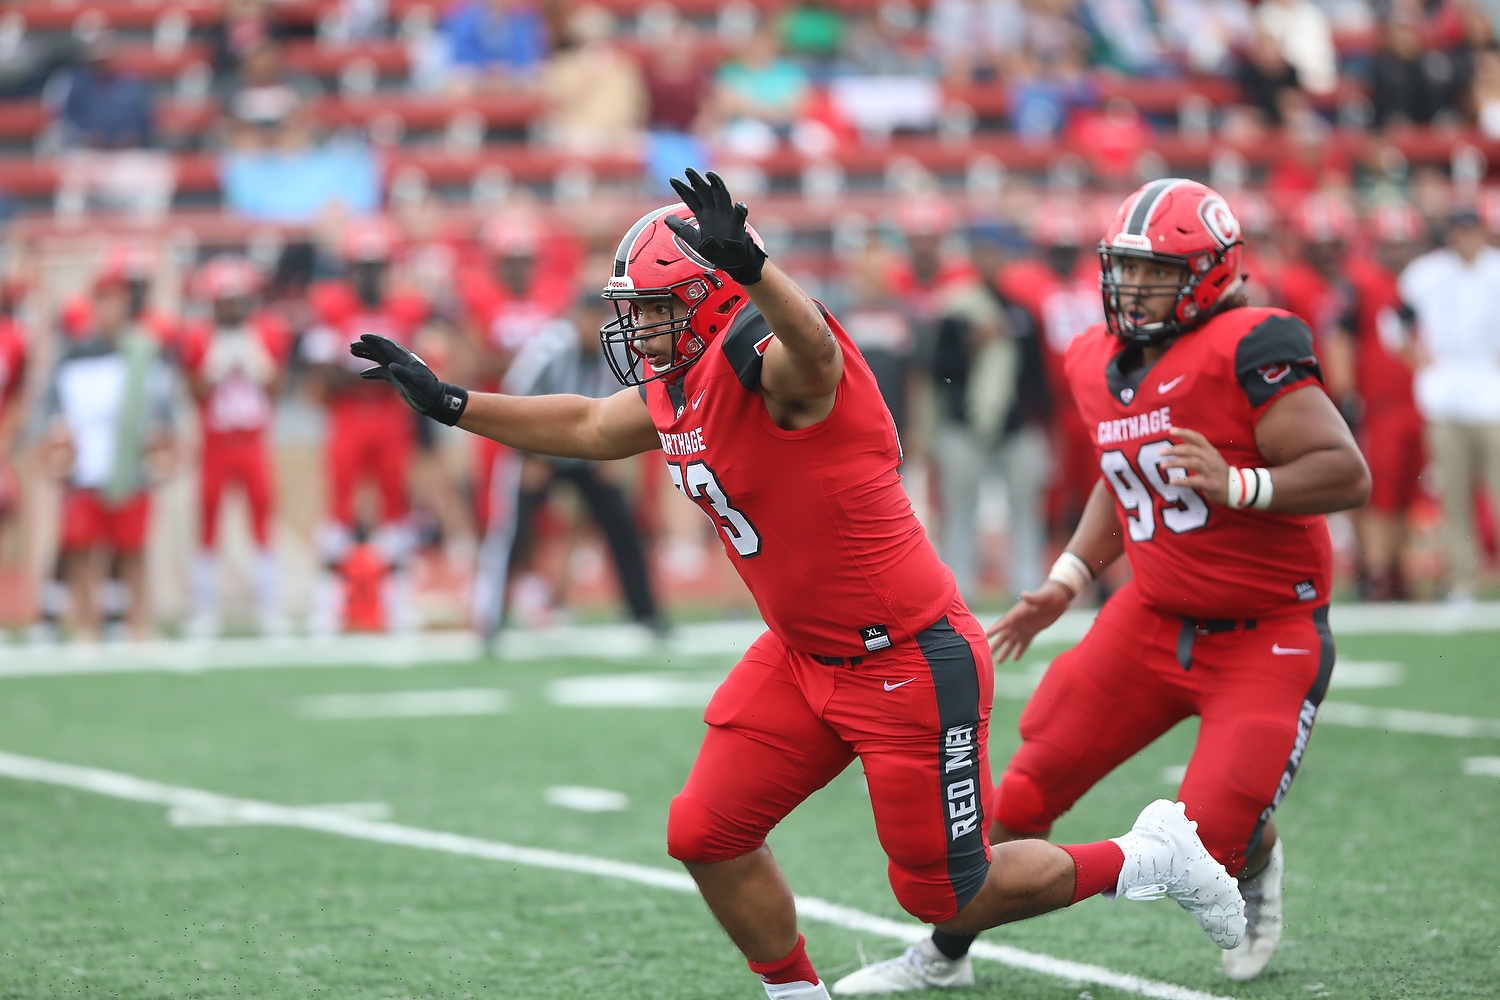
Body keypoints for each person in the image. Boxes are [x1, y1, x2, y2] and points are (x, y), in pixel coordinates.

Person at [353, 169, 1245, 1000]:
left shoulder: (775, 363)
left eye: (658, 311)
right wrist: (455, 405)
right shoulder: (681, 382)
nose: (640, 332)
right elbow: (588, 422)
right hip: (800, 655)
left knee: (945, 895)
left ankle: (1148, 855)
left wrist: (757, 269)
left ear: (713, 300)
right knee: (704, 832)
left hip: (903, 657)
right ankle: (794, 992)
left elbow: (812, 349)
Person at [857, 179, 1369, 993]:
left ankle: (1257, 854)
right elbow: (1120, 475)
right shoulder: (1098, 357)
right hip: (1152, 617)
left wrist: (1239, 485)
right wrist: (1068, 577)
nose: (1131, 288)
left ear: (1209, 272)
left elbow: (1346, 471)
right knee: (1021, 795)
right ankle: (944, 956)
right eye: (1124, 268)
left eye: (1155, 272)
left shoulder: (1252, 341)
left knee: (1208, 846)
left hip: (1268, 631)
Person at [471, 292, 663, 638]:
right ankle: (490, 617)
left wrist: (615, 452)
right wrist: (528, 454)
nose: (592, 328)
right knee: (512, 531)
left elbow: (631, 401)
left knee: (622, 525)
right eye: (586, 320)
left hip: (589, 447)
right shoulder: (548, 349)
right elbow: (514, 401)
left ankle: (645, 613)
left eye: (597, 320)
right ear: (574, 320)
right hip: (541, 446)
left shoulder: (615, 348)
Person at [300, 217, 430, 631]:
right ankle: (329, 604)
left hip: (393, 419)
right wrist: (382, 372)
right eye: (364, 267)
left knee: (396, 511)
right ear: (349, 268)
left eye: (377, 267)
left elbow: (423, 370)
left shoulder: (405, 308)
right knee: (338, 514)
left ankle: (396, 602)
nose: (371, 276)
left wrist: (375, 373)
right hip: (347, 420)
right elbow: (321, 375)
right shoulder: (331, 306)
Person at [37, 265, 177, 639]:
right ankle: (87, 626)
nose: (110, 309)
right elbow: (52, 412)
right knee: (82, 553)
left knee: (133, 552)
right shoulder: (73, 356)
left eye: (116, 301)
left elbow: (164, 413)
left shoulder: (145, 352)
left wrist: (163, 450)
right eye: (103, 301)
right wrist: (54, 448)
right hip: (85, 468)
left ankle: (139, 625)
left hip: (130, 466)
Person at [178, 255, 290, 635]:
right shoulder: (198, 337)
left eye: (236, 299)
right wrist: (213, 368)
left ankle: (269, 607)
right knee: (208, 522)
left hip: (254, 441)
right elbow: (193, 392)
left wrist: (258, 363)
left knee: (262, 521)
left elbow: (277, 390)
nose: (230, 308)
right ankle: (204, 610)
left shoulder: (268, 333)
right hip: (216, 443)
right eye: (224, 300)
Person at [1398, 205, 1500, 601]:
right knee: (1454, 495)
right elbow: (1396, 322)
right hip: (1444, 395)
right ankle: (1463, 580)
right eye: (1458, 232)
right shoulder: (1427, 273)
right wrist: (1416, 357)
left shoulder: (1496, 269)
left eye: (1471, 231)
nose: (1465, 239)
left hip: (1492, 393)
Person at [1335, 202, 1428, 599]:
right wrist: (1346, 391)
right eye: (1392, 243)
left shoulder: (1425, 281)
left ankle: (1395, 569)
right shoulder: (1361, 284)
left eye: (1404, 243)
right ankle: (1375, 574)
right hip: (1382, 405)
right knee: (1380, 492)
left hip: (1419, 403)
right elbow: (1339, 336)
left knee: (1409, 492)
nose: (1398, 251)